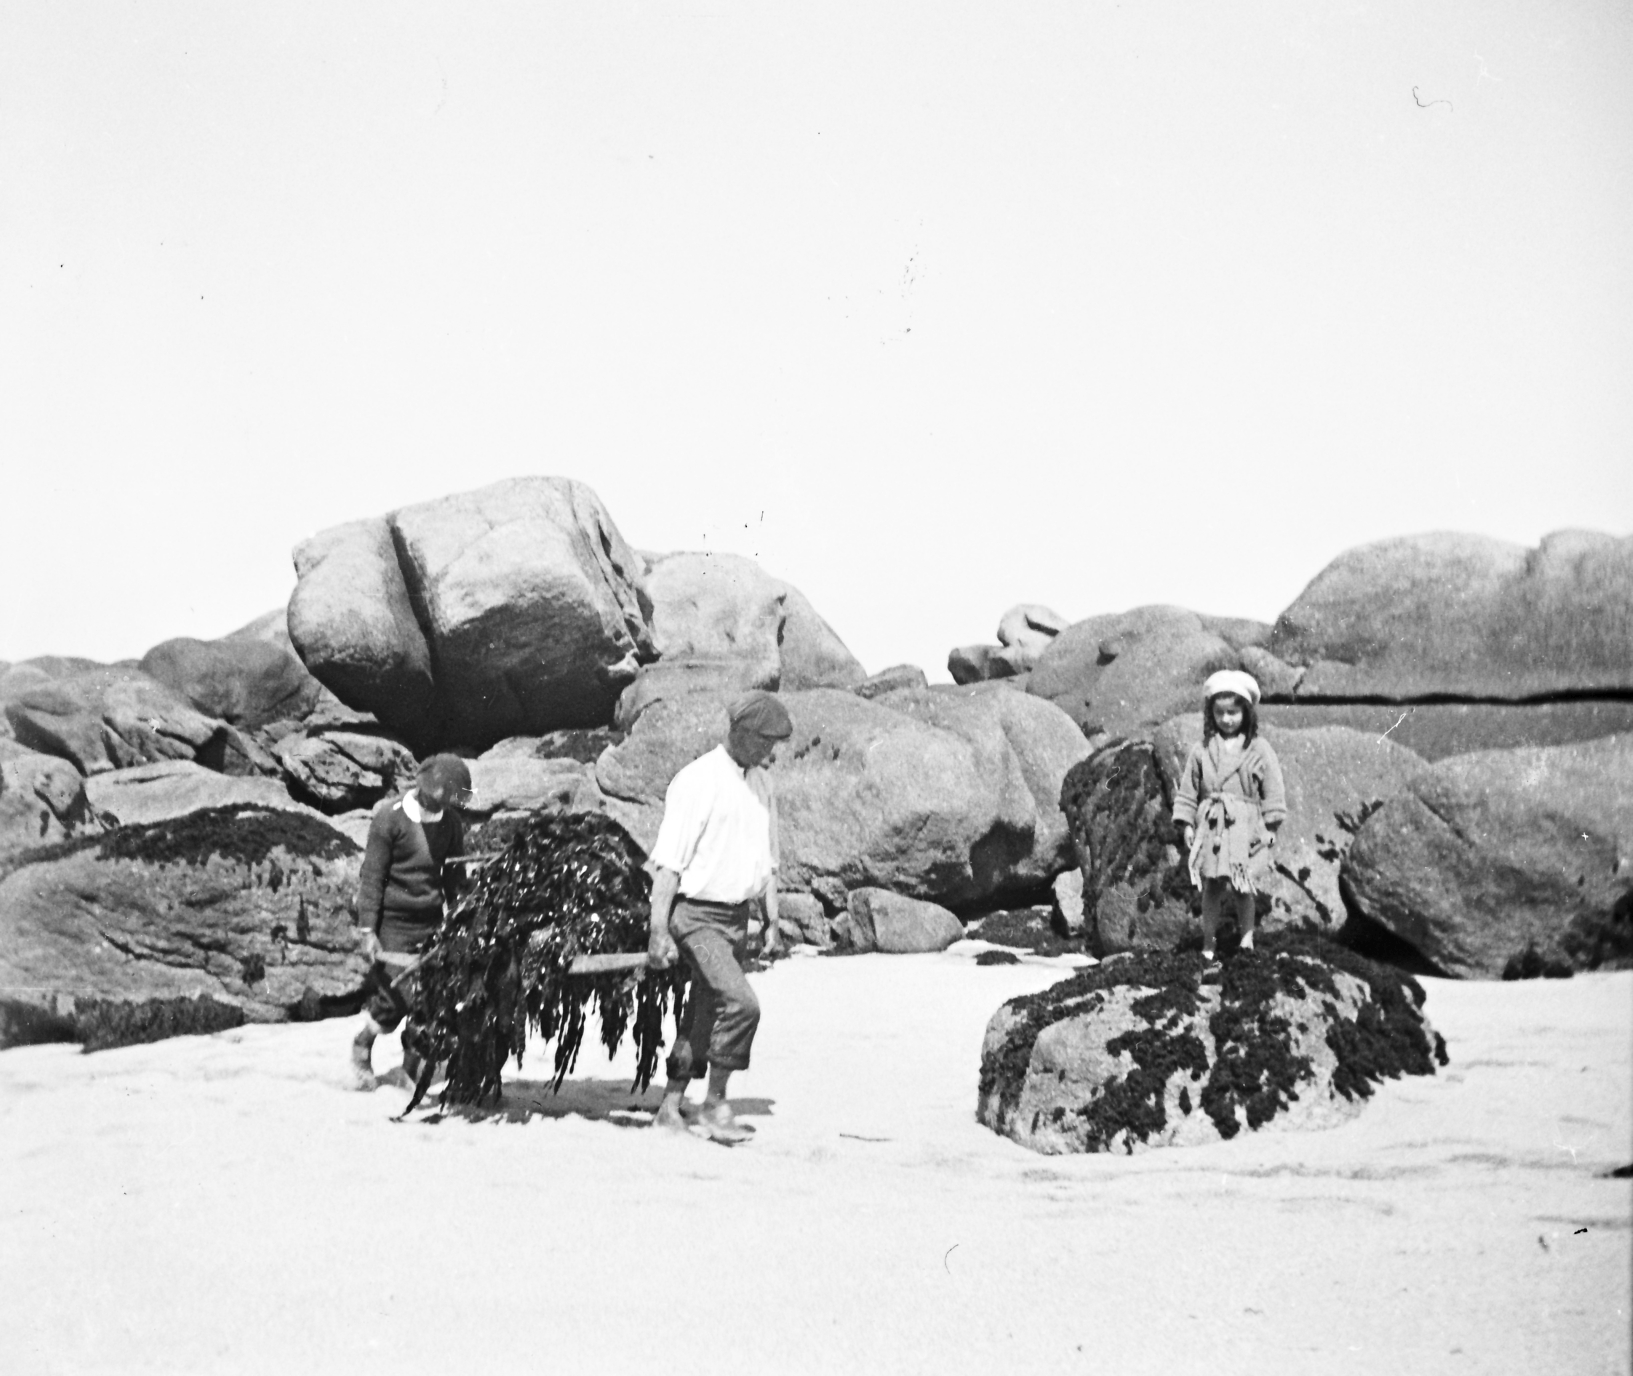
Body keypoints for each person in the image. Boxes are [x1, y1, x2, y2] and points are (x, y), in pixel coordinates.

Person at [646, 690, 792, 1143]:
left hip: (735, 919)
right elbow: (668, 865)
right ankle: (715, 1105)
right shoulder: (697, 781)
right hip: (696, 919)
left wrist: (771, 920)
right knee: (743, 1004)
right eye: (767, 741)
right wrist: (658, 932)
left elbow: (766, 863)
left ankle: (670, 1106)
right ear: (743, 734)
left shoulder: (760, 783)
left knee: (703, 1015)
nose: (773, 752)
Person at [350, 753, 473, 1090]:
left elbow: (454, 877)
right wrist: (367, 931)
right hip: (394, 923)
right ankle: (362, 1044)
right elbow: (372, 878)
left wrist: (461, 917)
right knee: (397, 997)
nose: (443, 806)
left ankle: (408, 1069)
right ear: (424, 790)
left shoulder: (450, 825)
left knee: (431, 1001)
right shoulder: (388, 819)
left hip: (432, 922)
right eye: (439, 799)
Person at [1171, 669, 1286, 965]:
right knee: (1211, 885)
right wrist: (1186, 823)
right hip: (1211, 824)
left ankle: (1246, 938)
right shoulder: (1202, 749)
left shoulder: (1258, 748)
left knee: (1242, 884)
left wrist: (1270, 825)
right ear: (1211, 714)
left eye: (1233, 712)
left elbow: (1272, 788)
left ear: (1246, 713)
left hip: (1243, 826)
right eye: (1219, 713)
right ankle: (1208, 941)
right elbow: (1189, 789)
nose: (1226, 719)